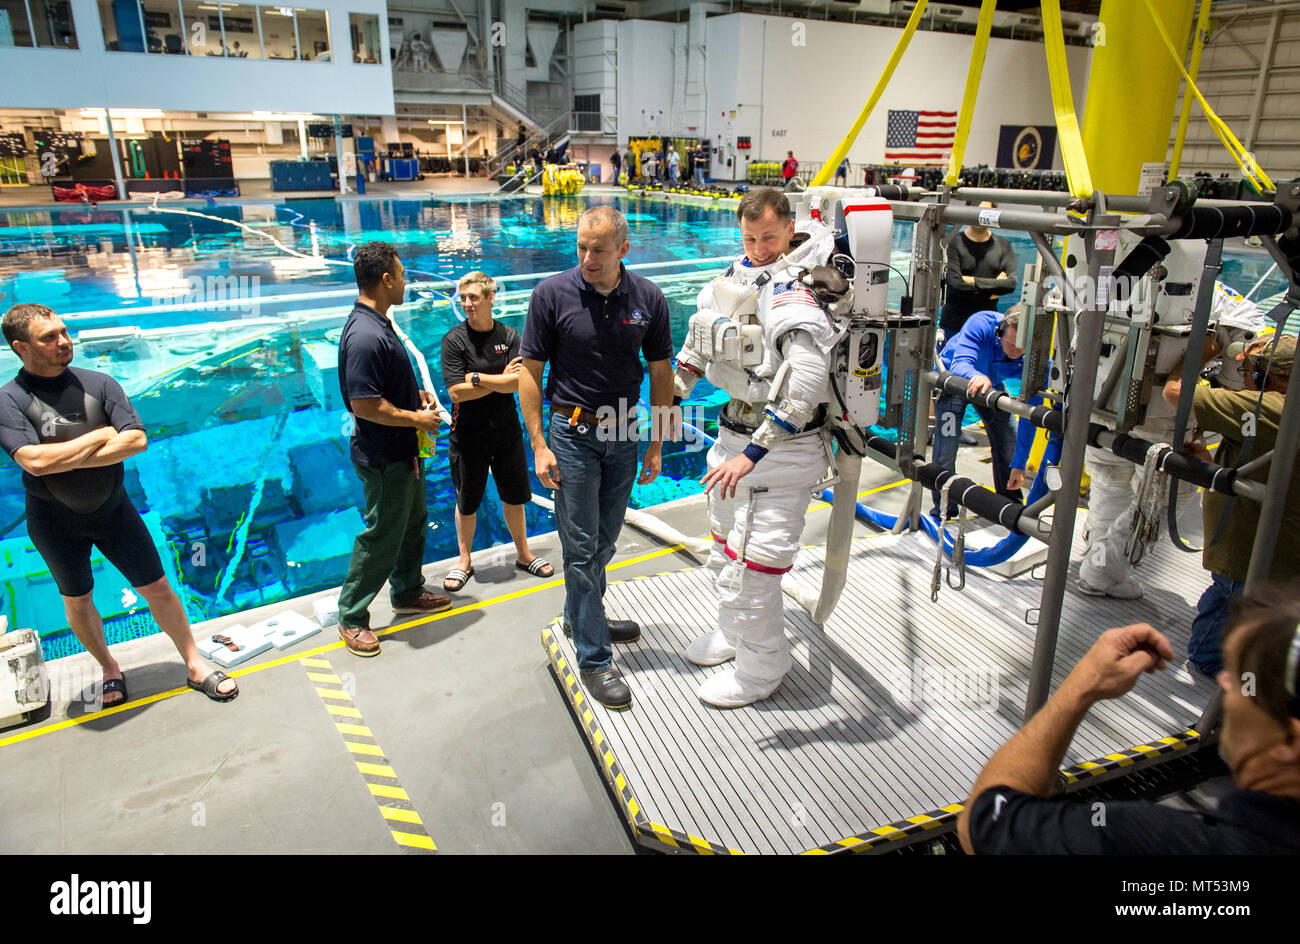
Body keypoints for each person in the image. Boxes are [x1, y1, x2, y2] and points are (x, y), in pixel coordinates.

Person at [0, 304, 238, 706]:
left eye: (64, 330)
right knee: (77, 599)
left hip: (114, 511)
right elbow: (33, 462)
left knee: (159, 587)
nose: (64, 341)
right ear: (21, 347)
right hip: (54, 521)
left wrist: (64, 456)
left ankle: (194, 662)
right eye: (49, 337)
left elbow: (136, 441)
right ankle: (110, 668)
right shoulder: (9, 400)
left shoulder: (99, 383)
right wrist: (100, 436)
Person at [958, 588, 1300, 854]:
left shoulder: (1143, 839)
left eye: (1241, 680)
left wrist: (1082, 685)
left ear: (1290, 740)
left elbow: (987, 819)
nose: (1223, 683)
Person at [672, 188, 839, 707]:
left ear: (791, 229)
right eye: (749, 237)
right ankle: (733, 636)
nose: (760, 248)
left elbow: (806, 379)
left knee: (753, 570)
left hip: (778, 454)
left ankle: (762, 668)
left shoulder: (796, 290)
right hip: (733, 440)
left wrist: (755, 453)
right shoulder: (737, 275)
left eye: (769, 237)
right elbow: (703, 337)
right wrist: (672, 394)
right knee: (724, 551)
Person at [518, 206, 674, 711]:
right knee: (581, 548)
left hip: (625, 431)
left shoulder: (647, 298)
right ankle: (594, 657)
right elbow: (530, 372)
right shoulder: (551, 294)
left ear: (623, 250)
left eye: (598, 250)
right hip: (573, 432)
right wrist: (539, 443)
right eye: (582, 248)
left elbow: (661, 370)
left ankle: (580, 614)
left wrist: (658, 439)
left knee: (606, 540)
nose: (587, 258)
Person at [1078, 280, 1267, 600]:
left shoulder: (1114, 282)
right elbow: (1239, 388)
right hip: (1162, 420)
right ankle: (1103, 569)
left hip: (1101, 403)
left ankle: (1097, 559)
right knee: (1163, 500)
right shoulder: (1239, 315)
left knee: (1110, 486)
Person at [335, 242, 452, 658]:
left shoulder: (378, 323)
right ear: (386, 280)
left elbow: (382, 389)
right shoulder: (365, 335)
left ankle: (407, 591)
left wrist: (413, 394)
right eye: (401, 275)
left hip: (405, 454)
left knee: (412, 522)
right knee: (382, 533)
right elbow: (365, 405)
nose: (405, 281)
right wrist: (416, 419)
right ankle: (352, 616)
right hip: (384, 457)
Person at [1163, 332, 1297, 677]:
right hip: (1285, 564)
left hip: (1249, 564)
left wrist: (1197, 354)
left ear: (1274, 377)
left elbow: (1174, 394)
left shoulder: (1270, 407)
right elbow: (1271, 466)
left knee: (1207, 653)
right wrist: (1211, 461)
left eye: (1251, 372)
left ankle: (1260, 684)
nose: (1245, 380)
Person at [439, 272, 552, 592]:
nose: (467, 304)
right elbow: (456, 393)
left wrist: (476, 378)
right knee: (467, 501)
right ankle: (464, 561)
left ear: (491, 298)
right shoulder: (454, 341)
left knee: (514, 496)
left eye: (473, 298)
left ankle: (524, 553)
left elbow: (520, 382)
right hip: (468, 435)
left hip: (506, 432)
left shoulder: (510, 335)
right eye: (463, 298)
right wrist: (497, 381)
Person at [930, 306, 1039, 519]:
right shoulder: (981, 324)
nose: (1016, 352)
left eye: (1021, 348)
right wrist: (975, 376)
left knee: (1009, 438)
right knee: (945, 451)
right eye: (1010, 344)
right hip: (955, 384)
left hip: (991, 387)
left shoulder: (1036, 356)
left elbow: (1030, 415)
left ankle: (1010, 509)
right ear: (999, 333)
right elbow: (961, 363)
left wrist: (1020, 464)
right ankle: (944, 511)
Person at [939, 201, 1017, 348]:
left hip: (986, 326)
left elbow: (1011, 284)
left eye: (986, 211)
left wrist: (971, 281)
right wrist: (992, 291)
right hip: (954, 324)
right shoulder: (953, 243)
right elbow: (955, 284)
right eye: (977, 210)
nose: (980, 215)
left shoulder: (1003, 246)